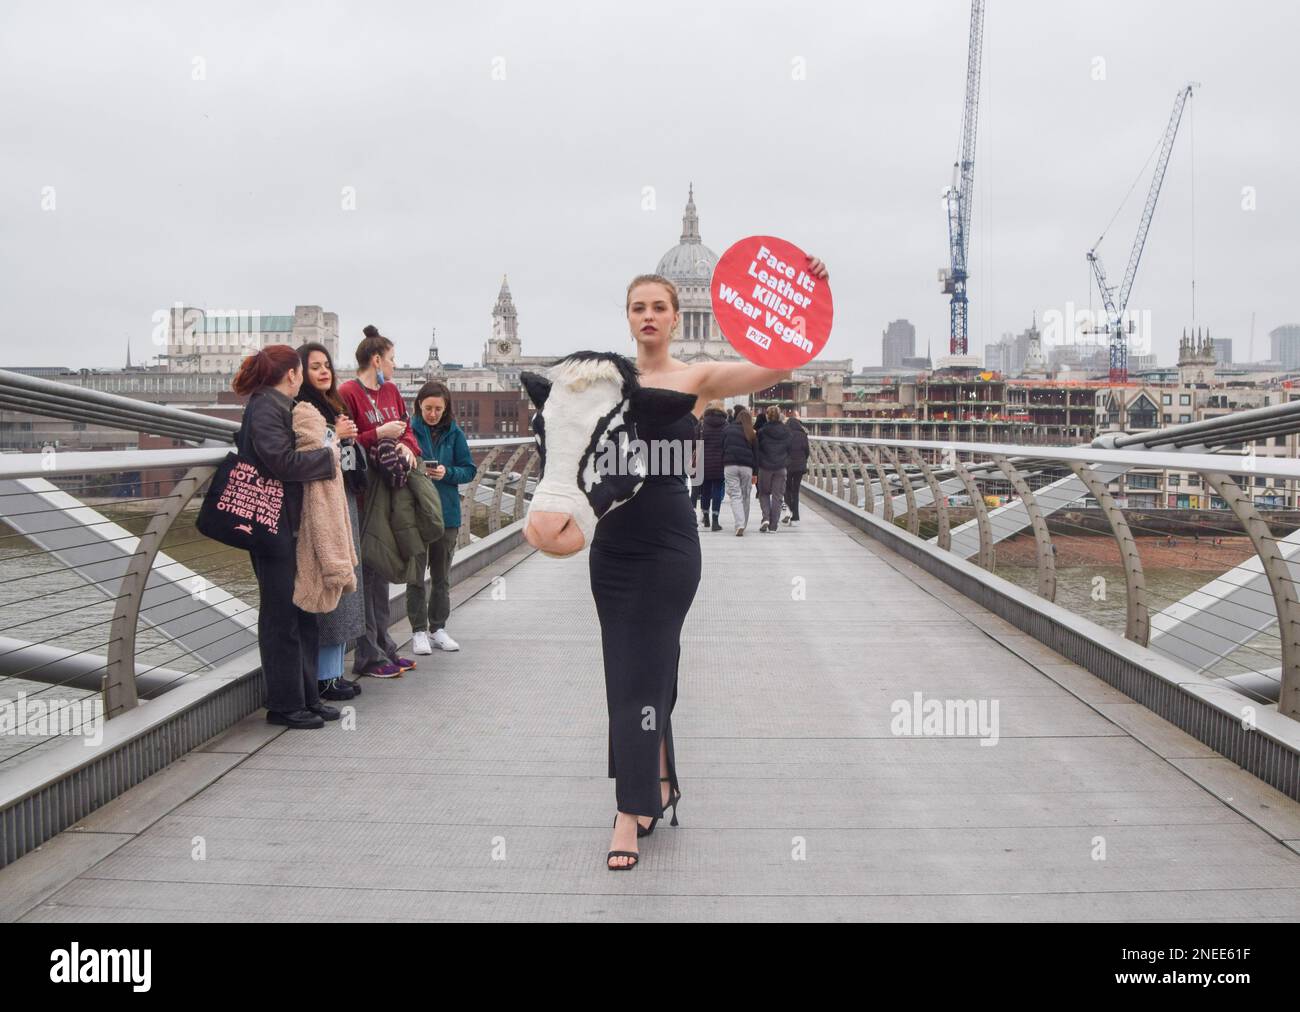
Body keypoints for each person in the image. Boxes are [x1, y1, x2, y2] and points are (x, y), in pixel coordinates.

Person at [597, 257, 828, 869]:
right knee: (639, 667)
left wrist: (809, 292)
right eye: (638, 306)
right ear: (627, 317)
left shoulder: (698, 376)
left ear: (677, 317)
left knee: (642, 665)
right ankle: (663, 775)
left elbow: (778, 365)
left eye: (659, 307)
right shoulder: (603, 381)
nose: (649, 316)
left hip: (670, 538)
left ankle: (630, 808)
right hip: (613, 540)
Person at [232, 345, 339, 729]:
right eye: (301, 373)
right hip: (271, 529)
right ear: (292, 374)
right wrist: (328, 458)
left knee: (303, 612)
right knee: (281, 618)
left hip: (289, 526)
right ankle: (284, 705)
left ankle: (308, 697)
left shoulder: (276, 406)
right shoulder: (264, 407)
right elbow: (280, 462)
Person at [338, 325, 420, 679]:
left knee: (382, 570)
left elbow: (408, 428)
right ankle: (368, 655)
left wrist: (407, 447)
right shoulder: (347, 393)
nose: (394, 364)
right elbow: (344, 447)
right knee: (367, 571)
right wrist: (378, 435)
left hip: (389, 493)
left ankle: (385, 646)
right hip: (362, 497)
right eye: (391, 358)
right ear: (376, 359)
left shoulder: (390, 391)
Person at [295, 342, 366, 700]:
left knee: (347, 590)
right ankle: (324, 677)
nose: (324, 372)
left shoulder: (334, 406)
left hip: (344, 502)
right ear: (301, 374)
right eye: (315, 367)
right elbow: (311, 454)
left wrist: (349, 439)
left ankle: (334, 672)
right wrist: (336, 437)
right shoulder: (304, 409)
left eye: (327, 366)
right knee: (330, 585)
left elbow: (348, 462)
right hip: (324, 508)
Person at [408, 380, 477, 654]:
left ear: (446, 408)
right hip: (415, 513)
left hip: (446, 515)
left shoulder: (455, 434)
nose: (433, 414)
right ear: (419, 407)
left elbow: (469, 470)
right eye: (428, 408)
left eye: (438, 409)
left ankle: (437, 628)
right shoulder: (409, 431)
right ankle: (417, 632)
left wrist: (446, 473)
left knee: (441, 577)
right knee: (414, 576)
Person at [722, 405, 758, 535]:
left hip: (730, 465)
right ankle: (744, 524)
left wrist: (723, 463)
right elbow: (756, 453)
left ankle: (739, 524)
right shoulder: (752, 433)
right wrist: (755, 473)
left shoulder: (728, 429)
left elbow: (723, 447)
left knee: (735, 495)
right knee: (746, 495)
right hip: (747, 467)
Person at [756, 405, 791, 533]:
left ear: (767, 416)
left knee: (764, 493)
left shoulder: (762, 431)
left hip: (765, 467)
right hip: (781, 467)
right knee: (777, 496)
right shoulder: (786, 431)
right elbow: (790, 449)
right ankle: (773, 526)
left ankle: (765, 517)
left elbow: (758, 449)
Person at [697, 400, 728, 531]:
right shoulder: (726, 425)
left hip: (704, 463)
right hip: (720, 463)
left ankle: (706, 518)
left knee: (705, 491)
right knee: (717, 491)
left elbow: (694, 443)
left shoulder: (702, 425)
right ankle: (715, 520)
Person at [782, 409, 810, 527]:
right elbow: (807, 451)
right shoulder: (803, 435)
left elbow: (783, 450)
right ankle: (795, 517)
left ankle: (791, 509)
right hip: (800, 466)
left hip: (787, 466)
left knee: (787, 489)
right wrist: (803, 460)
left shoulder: (785, 434)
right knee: (796, 491)